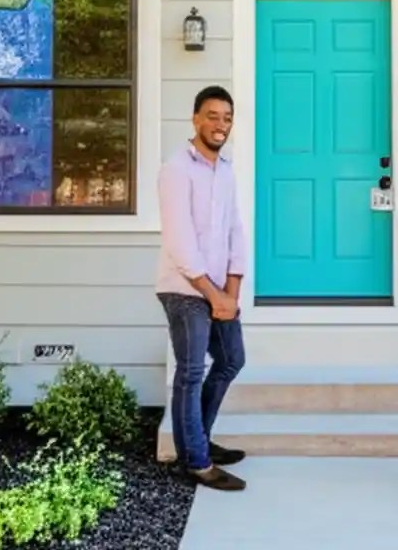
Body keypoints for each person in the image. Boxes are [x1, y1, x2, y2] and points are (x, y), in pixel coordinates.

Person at [155, 85, 248, 492]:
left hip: (219, 291)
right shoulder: (176, 169)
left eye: (227, 118)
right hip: (184, 289)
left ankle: (198, 439)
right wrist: (214, 295)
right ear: (195, 119)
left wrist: (233, 292)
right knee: (191, 373)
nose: (220, 124)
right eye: (212, 116)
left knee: (231, 360)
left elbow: (234, 231)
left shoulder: (225, 170)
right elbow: (180, 242)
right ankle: (195, 461)